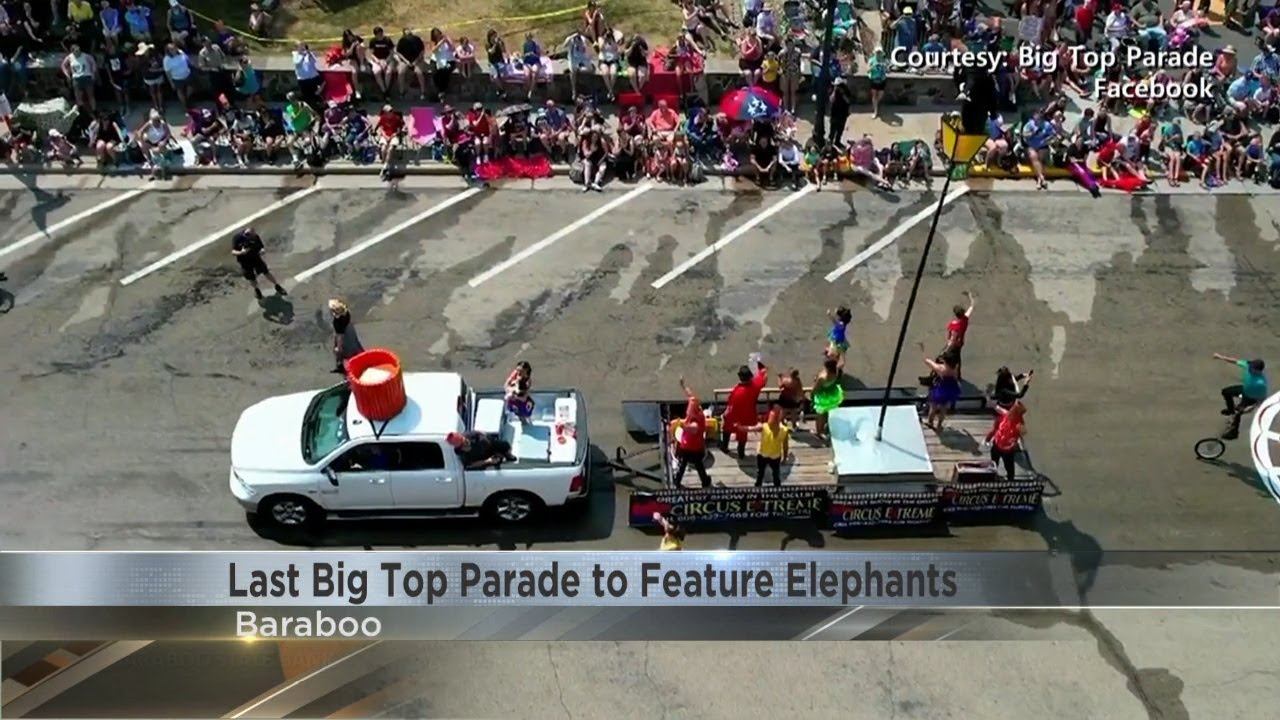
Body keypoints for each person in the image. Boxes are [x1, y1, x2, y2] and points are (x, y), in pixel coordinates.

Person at [721, 356, 768, 458]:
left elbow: (730, 406)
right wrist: (761, 367)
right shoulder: (755, 386)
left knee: (727, 429)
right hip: (749, 415)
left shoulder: (736, 391)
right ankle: (741, 453)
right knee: (743, 435)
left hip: (735, 416)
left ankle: (724, 447)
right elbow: (763, 377)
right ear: (750, 376)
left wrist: (725, 415)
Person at [1214, 352, 1268, 438]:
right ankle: (1230, 410)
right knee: (1226, 392)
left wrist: (1251, 408)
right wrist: (1220, 357)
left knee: (1238, 412)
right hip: (1244, 390)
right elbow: (1235, 361)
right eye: (1250, 367)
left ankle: (1234, 433)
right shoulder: (1248, 365)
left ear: (1258, 370)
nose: (1249, 369)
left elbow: (1261, 399)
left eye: (1252, 368)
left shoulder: (1260, 383)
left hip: (1251, 398)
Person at [673, 377, 712, 488]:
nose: (688, 412)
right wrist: (683, 385)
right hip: (695, 445)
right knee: (698, 465)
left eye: (689, 412)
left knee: (683, 464)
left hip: (691, 446)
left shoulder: (696, 422)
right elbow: (690, 394)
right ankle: (705, 481)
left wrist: (681, 424)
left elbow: (692, 429)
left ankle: (677, 481)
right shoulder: (695, 404)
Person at [231, 226, 286, 300]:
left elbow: (261, 247)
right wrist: (241, 252)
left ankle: (277, 285)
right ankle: (257, 290)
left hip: (255, 258)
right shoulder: (237, 238)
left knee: (266, 272)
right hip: (244, 262)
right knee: (251, 277)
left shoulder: (255, 237)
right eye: (250, 236)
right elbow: (233, 252)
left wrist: (262, 251)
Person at [745, 407, 790, 487]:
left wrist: (785, 457)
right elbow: (751, 428)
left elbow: (785, 446)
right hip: (762, 454)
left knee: (776, 473)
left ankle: (777, 486)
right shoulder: (764, 426)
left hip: (775, 455)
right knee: (760, 472)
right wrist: (742, 428)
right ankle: (758, 485)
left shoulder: (784, 430)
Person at [921, 343, 960, 431]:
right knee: (943, 407)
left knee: (933, 406)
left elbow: (927, 360)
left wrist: (923, 349)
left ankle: (930, 422)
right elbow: (956, 378)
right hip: (951, 389)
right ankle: (939, 425)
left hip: (941, 389)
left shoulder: (940, 369)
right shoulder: (955, 368)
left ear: (945, 361)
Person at [988, 400, 1026, 482]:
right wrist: (989, 401)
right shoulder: (1006, 415)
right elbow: (997, 408)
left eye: (1013, 412)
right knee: (993, 463)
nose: (1010, 413)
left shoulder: (1017, 424)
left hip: (1007, 450)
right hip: (996, 445)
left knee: (1009, 467)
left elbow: (1023, 431)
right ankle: (993, 477)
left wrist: (1019, 423)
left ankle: (1010, 481)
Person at [446, 431, 515, 469]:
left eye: (464, 439)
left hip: (491, 448)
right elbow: (470, 465)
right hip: (483, 460)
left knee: (503, 444)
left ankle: (507, 454)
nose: (466, 441)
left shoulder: (472, 435)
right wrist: (487, 461)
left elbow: (486, 438)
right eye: (462, 443)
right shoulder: (460, 452)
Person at [811, 357, 843, 439]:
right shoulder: (836, 372)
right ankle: (827, 427)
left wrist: (812, 398)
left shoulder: (823, 377)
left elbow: (815, 389)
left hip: (824, 397)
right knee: (828, 412)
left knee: (820, 416)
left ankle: (818, 432)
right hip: (832, 395)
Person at [944, 291, 974, 379]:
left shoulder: (954, 326)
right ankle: (958, 375)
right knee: (957, 358)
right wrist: (970, 296)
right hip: (961, 342)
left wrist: (946, 349)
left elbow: (952, 339)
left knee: (951, 359)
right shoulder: (965, 319)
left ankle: (953, 375)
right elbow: (972, 306)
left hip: (955, 345)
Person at [329, 299, 363, 373]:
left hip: (344, 336)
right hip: (350, 330)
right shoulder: (346, 312)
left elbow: (340, 336)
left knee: (343, 351)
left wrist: (338, 347)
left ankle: (341, 366)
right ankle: (362, 358)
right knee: (355, 345)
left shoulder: (337, 322)